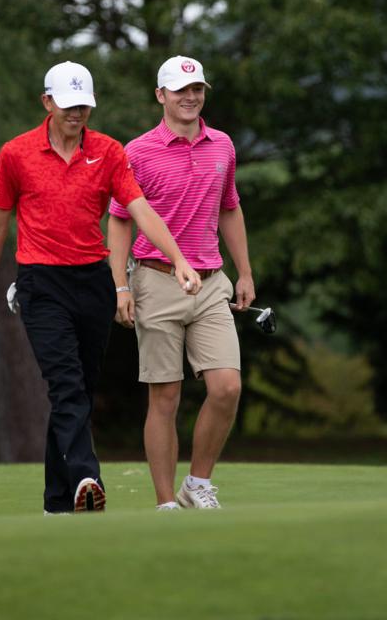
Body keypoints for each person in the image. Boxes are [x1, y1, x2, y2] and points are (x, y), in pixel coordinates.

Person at [0, 60, 203, 515]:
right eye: (68, 105)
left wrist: (177, 259)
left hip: (94, 280)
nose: (77, 114)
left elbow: (140, 210)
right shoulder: (16, 154)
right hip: (41, 283)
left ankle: (57, 501)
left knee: (77, 391)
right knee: (66, 385)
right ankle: (87, 477)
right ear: (47, 102)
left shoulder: (109, 152)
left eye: (84, 106)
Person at [108, 55, 254, 511]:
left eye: (197, 90)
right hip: (155, 280)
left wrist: (244, 270)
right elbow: (118, 222)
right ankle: (166, 501)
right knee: (165, 396)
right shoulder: (137, 152)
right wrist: (120, 286)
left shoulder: (223, 146)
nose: (190, 98)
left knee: (227, 387)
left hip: (212, 282)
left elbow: (229, 207)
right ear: (161, 96)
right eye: (180, 91)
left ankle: (198, 482)